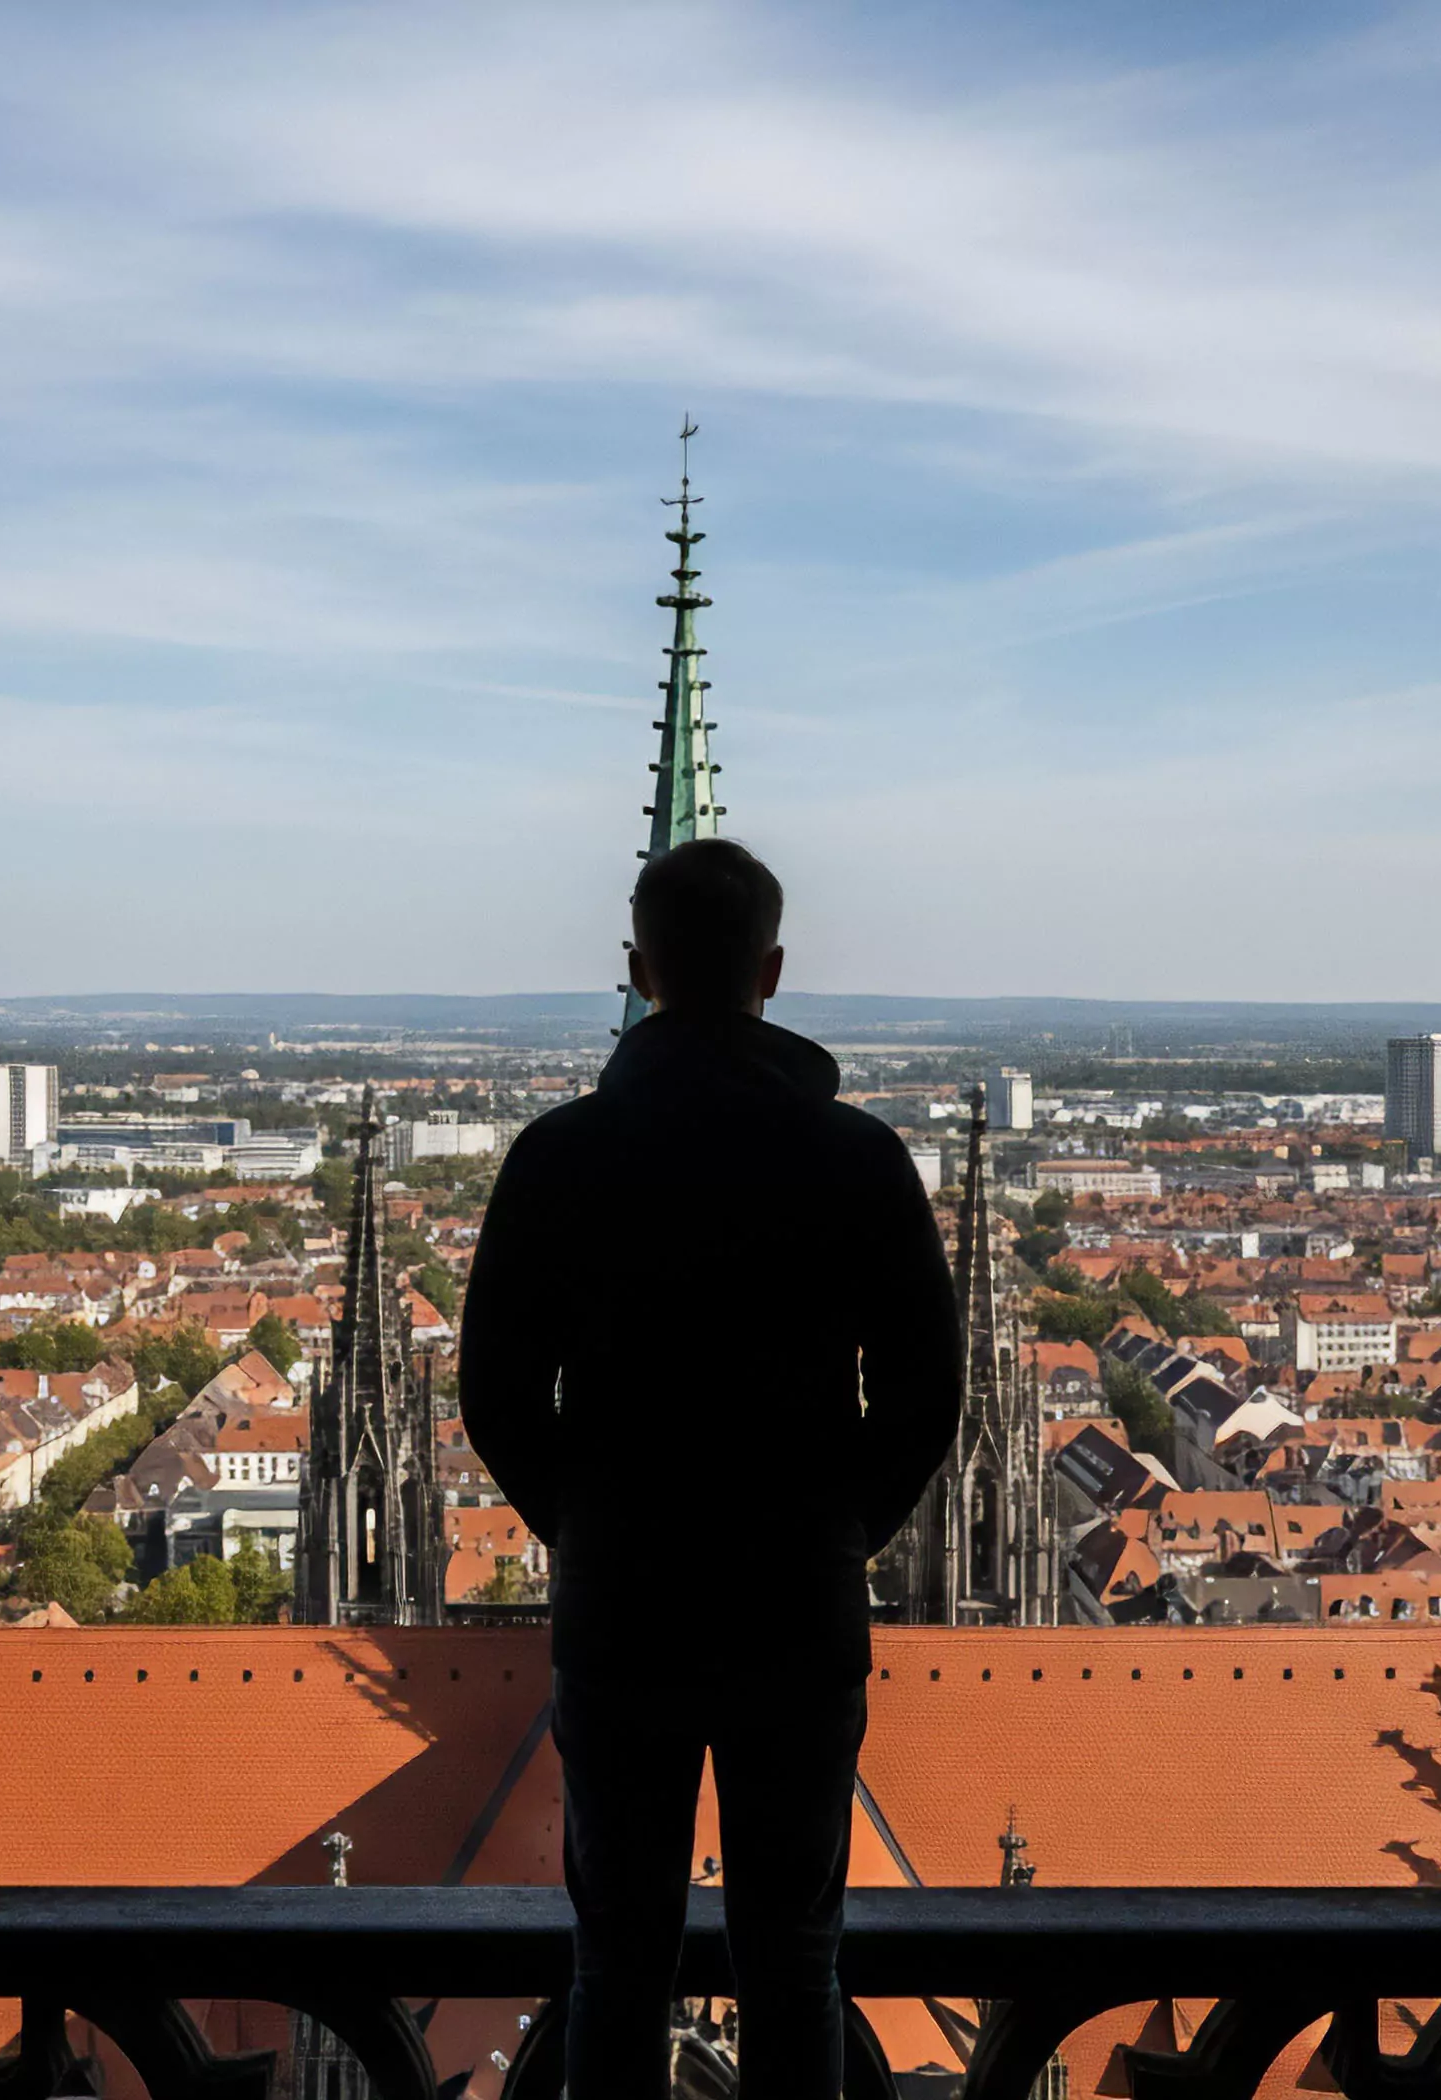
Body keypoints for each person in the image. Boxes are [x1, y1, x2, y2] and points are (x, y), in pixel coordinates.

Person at [460, 837, 960, 2100]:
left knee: (614, 1963)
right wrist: (837, 1531)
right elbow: (924, 1398)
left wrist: (586, 1526)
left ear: (636, 970)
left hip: (623, 1605)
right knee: (795, 1963)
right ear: (772, 971)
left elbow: (496, 1398)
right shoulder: (858, 1158)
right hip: (796, 1605)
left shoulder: (558, 1157)